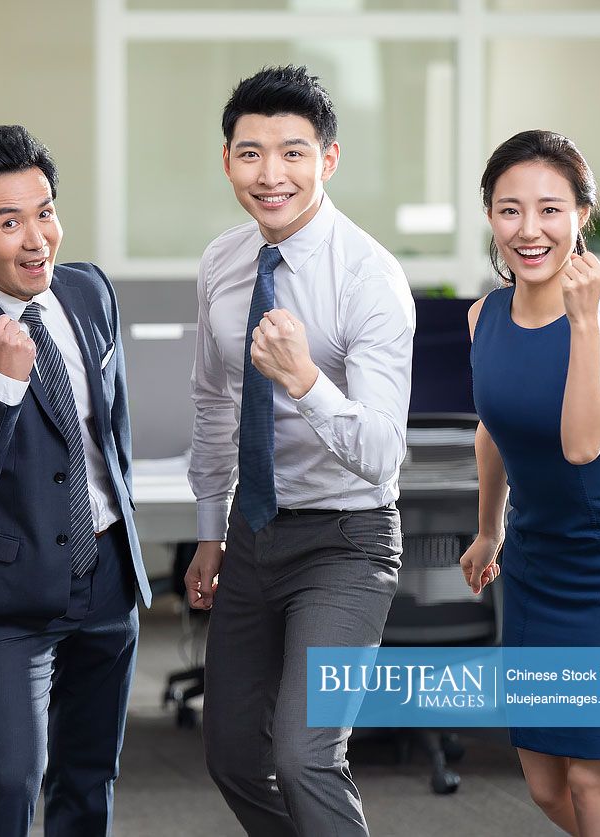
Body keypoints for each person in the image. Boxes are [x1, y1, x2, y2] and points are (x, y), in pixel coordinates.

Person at [0, 124, 150, 837]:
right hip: (13, 592)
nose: (36, 237)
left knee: (88, 774)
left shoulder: (88, 290)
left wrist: (125, 528)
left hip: (105, 572)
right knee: (11, 779)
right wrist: (0, 387)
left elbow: (114, 428)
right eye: (9, 222)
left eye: (44, 211)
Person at [185, 65, 415, 835]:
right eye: (250, 154)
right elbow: (213, 400)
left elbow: (382, 455)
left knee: (305, 753)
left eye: (291, 152)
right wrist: (211, 528)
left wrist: (306, 378)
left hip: (345, 540)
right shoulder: (222, 263)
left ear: (328, 159)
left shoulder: (368, 278)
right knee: (229, 754)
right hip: (252, 536)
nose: (270, 174)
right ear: (226, 163)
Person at [460, 129, 600, 837]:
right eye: (508, 208)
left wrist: (581, 320)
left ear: (581, 215)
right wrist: (489, 527)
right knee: (546, 783)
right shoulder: (482, 316)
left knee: (592, 779)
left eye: (549, 209)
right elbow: (492, 428)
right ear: (489, 215)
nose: (528, 229)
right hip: (535, 561)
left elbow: (582, 444)